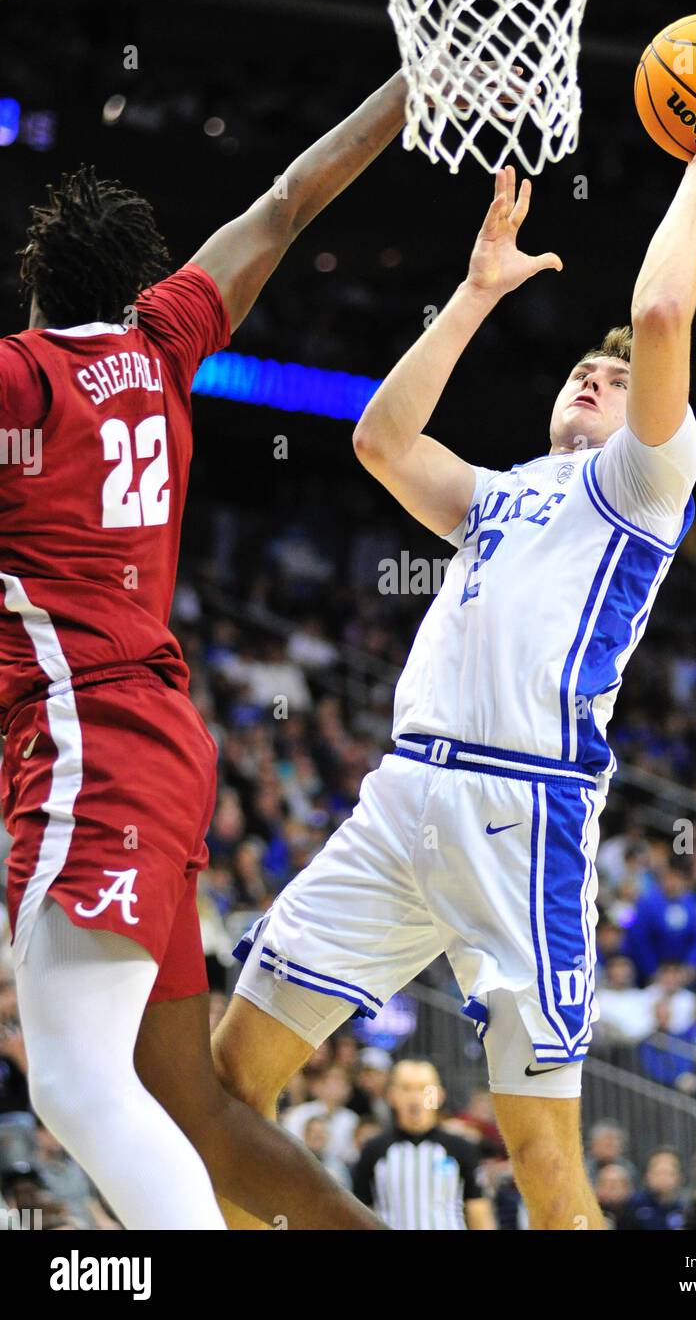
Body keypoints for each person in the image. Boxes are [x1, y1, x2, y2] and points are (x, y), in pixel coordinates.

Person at [216, 99, 696, 1230]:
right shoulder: (502, 493)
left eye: (612, 378)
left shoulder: (639, 483)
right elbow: (379, 440)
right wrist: (476, 293)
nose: (592, 376)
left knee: (544, 1166)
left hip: (522, 812)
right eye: (580, 369)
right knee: (227, 1080)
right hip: (401, 798)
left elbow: (664, 306)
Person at [0, 69, 415, 1230]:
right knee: (185, 1103)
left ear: (33, 290)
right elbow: (286, 201)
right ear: (133, 284)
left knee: (76, 1084)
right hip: (161, 745)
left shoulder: (21, 376)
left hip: (91, 743)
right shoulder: (164, 338)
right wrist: (409, 86)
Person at [351, 1060, 494, 1230]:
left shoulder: (461, 1148)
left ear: (439, 1096)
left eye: (423, 1088)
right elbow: (360, 1213)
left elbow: (478, 1211)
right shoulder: (373, 1150)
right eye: (406, 1088)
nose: (415, 1097)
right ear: (391, 1095)